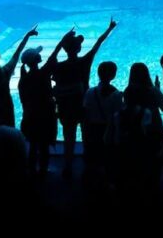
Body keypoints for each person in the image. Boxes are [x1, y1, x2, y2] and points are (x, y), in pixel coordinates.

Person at [50, 19, 117, 179]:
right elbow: (98, 44)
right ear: (79, 48)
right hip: (84, 107)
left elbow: (52, 58)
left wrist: (62, 42)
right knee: (87, 137)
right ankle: (89, 166)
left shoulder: (59, 67)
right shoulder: (84, 62)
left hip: (65, 108)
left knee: (69, 138)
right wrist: (110, 28)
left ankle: (67, 167)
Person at [109, 62, 163, 195]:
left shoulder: (128, 91)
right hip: (154, 130)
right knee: (154, 163)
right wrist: (158, 89)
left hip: (133, 134)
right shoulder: (152, 90)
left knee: (135, 163)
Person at [19, 39, 64, 179]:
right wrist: (63, 40)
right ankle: (43, 170)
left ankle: (32, 169)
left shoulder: (24, 79)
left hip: (31, 116)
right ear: (36, 60)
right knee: (44, 145)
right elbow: (54, 55)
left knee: (33, 144)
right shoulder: (42, 74)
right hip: (45, 116)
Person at [0, 27, 36, 128]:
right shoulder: (5, 71)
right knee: (8, 134)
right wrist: (27, 36)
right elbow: (17, 53)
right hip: (6, 106)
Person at [82, 61, 124, 184]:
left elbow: (86, 113)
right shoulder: (116, 94)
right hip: (109, 130)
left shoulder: (90, 92)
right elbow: (118, 115)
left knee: (93, 159)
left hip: (92, 129)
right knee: (108, 159)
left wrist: (85, 133)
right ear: (113, 75)